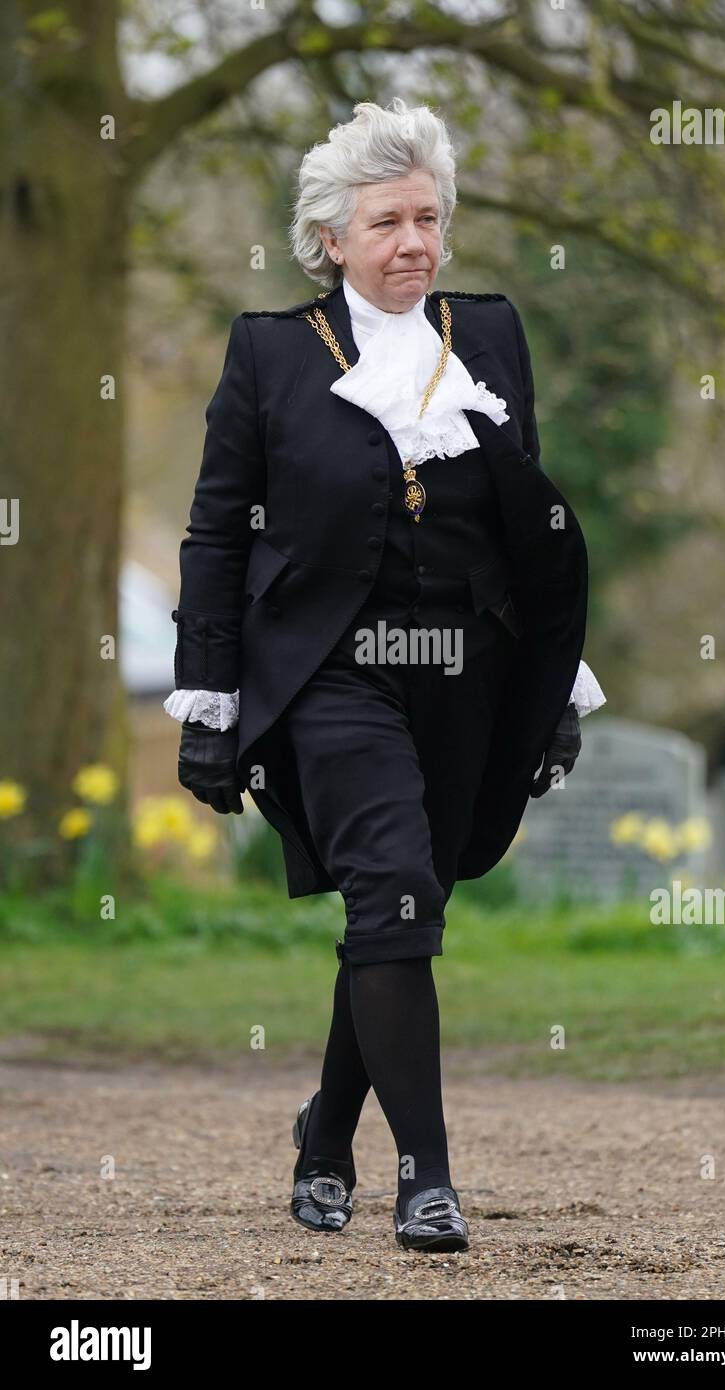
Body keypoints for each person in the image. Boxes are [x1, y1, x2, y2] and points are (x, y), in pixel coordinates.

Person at [164, 97, 606, 1253]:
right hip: (329, 673)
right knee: (392, 887)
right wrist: (207, 698)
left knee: (401, 906)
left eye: (429, 218)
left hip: (464, 666)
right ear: (331, 241)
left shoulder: (491, 334)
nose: (414, 242)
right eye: (387, 223)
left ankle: (324, 1133)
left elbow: (527, 522)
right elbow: (217, 534)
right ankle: (427, 1177)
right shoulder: (269, 351)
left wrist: (556, 681)